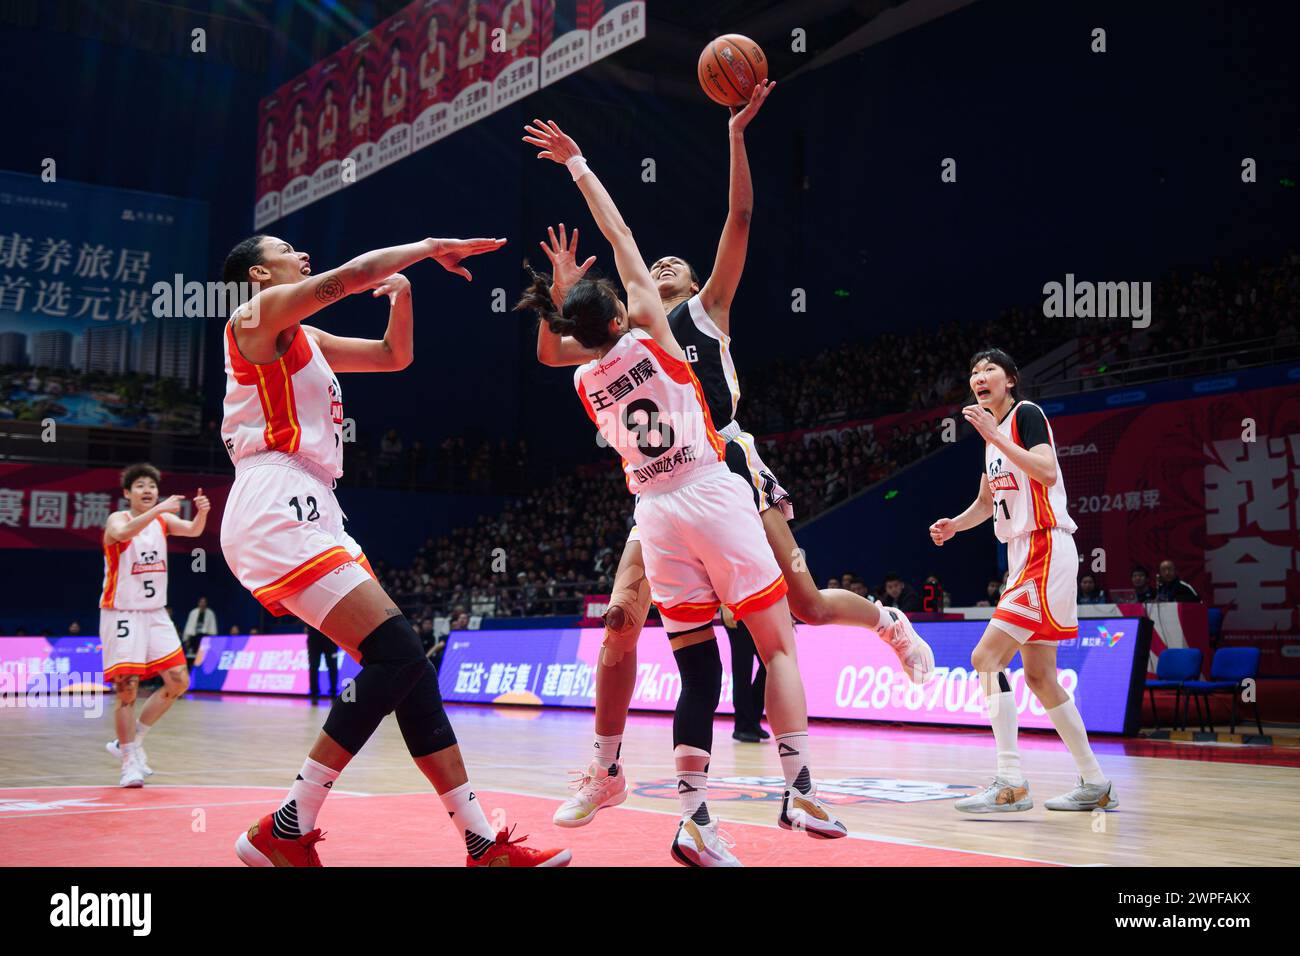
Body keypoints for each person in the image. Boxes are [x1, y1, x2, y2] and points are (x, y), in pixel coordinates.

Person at [526, 91, 932, 838]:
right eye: (656, 261)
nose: (666, 262)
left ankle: (887, 621)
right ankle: (607, 767)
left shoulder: (704, 309)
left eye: (673, 261)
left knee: (801, 609)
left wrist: (737, 140)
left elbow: (738, 221)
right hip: (672, 484)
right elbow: (576, 336)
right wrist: (566, 298)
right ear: (623, 306)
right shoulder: (634, 332)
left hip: (729, 457)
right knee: (620, 620)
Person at [219, 232, 567, 868]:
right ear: (257, 275)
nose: (302, 252)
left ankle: (480, 842)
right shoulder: (252, 316)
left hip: (316, 503)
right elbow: (350, 274)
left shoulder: (308, 341)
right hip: (274, 497)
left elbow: (392, 357)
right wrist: (431, 247)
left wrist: (402, 299)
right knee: (399, 652)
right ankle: (287, 826)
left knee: (410, 671)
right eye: (286, 248)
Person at [929, 348, 1118, 813]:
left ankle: (1010, 781)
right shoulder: (992, 441)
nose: (979, 376)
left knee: (985, 658)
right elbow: (985, 502)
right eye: (973, 371)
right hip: (1023, 553)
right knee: (1038, 676)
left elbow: (1047, 469)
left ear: (1010, 380)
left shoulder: (1025, 416)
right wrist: (955, 523)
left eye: (989, 369)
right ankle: (1095, 782)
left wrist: (998, 435)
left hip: (1044, 546)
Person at [100, 464, 207, 787]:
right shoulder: (117, 519)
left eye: (151, 485)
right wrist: (160, 509)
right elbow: (121, 534)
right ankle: (129, 761)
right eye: (140, 485)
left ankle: (131, 742)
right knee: (127, 688)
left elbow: (192, 531)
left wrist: (201, 513)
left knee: (178, 681)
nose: (147, 490)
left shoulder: (162, 521)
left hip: (156, 613)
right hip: (122, 613)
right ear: (127, 493)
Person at [722, 606, 767, 743]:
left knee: (769, 665)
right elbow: (720, 583)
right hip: (736, 608)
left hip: (758, 609)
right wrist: (724, 606)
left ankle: (752, 719)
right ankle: (742, 726)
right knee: (743, 669)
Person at [306, 624, 338, 701]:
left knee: (332, 666)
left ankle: (333, 691)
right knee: (313, 666)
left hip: (329, 637)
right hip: (314, 637)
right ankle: (314, 692)